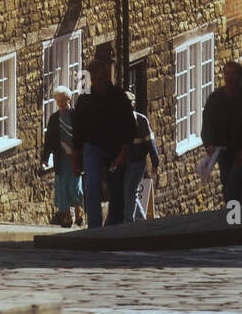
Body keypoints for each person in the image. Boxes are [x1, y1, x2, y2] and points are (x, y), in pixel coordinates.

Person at [71, 51, 135, 227]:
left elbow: (130, 128)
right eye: (95, 80)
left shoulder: (119, 96)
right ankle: (94, 228)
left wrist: (123, 154)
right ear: (90, 81)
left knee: (116, 190)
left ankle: (114, 226)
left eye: (102, 79)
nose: (100, 84)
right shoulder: (85, 100)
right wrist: (76, 159)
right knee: (92, 185)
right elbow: (78, 131)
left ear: (108, 77)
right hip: (93, 148)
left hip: (115, 150)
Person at [201, 60, 242, 207]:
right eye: (227, 74)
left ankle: (237, 221)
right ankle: (237, 221)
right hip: (223, 151)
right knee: (228, 184)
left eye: (234, 74)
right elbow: (207, 124)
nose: (230, 78)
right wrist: (209, 143)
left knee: (237, 184)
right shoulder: (215, 99)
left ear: (240, 77)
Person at [40, 86, 85, 228]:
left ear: (69, 99)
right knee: (62, 189)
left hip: (76, 159)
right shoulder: (54, 119)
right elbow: (49, 140)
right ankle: (66, 218)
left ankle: (79, 211)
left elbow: (83, 137)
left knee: (74, 187)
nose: (61, 103)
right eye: (58, 100)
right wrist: (45, 158)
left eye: (64, 100)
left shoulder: (76, 116)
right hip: (61, 160)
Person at [123, 90, 159, 221]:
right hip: (125, 162)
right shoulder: (119, 121)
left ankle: (129, 221)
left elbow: (150, 142)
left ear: (132, 105)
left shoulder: (141, 120)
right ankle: (141, 218)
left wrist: (155, 162)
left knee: (130, 189)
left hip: (138, 161)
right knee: (129, 190)